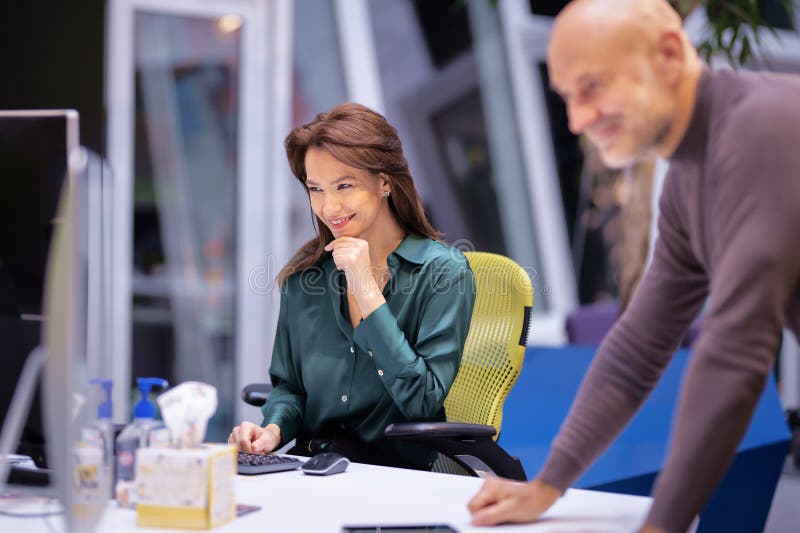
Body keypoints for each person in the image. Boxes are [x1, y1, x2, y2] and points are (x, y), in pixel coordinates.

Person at [467, 0, 800, 531]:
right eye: (567, 98)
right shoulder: (689, 181)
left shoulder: (760, 129)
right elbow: (636, 350)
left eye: (593, 86)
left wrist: (659, 525)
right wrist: (546, 486)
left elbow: (736, 354)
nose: (577, 119)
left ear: (669, 55)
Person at [229, 102, 476, 470]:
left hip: (396, 480)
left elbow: (421, 401)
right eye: (316, 189)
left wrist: (364, 286)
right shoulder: (304, 278)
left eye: (344, 186)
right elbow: (290, 388)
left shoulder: (443, 273)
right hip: (311, 471)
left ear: (385, 182)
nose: (329, 207)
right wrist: (274, 429)